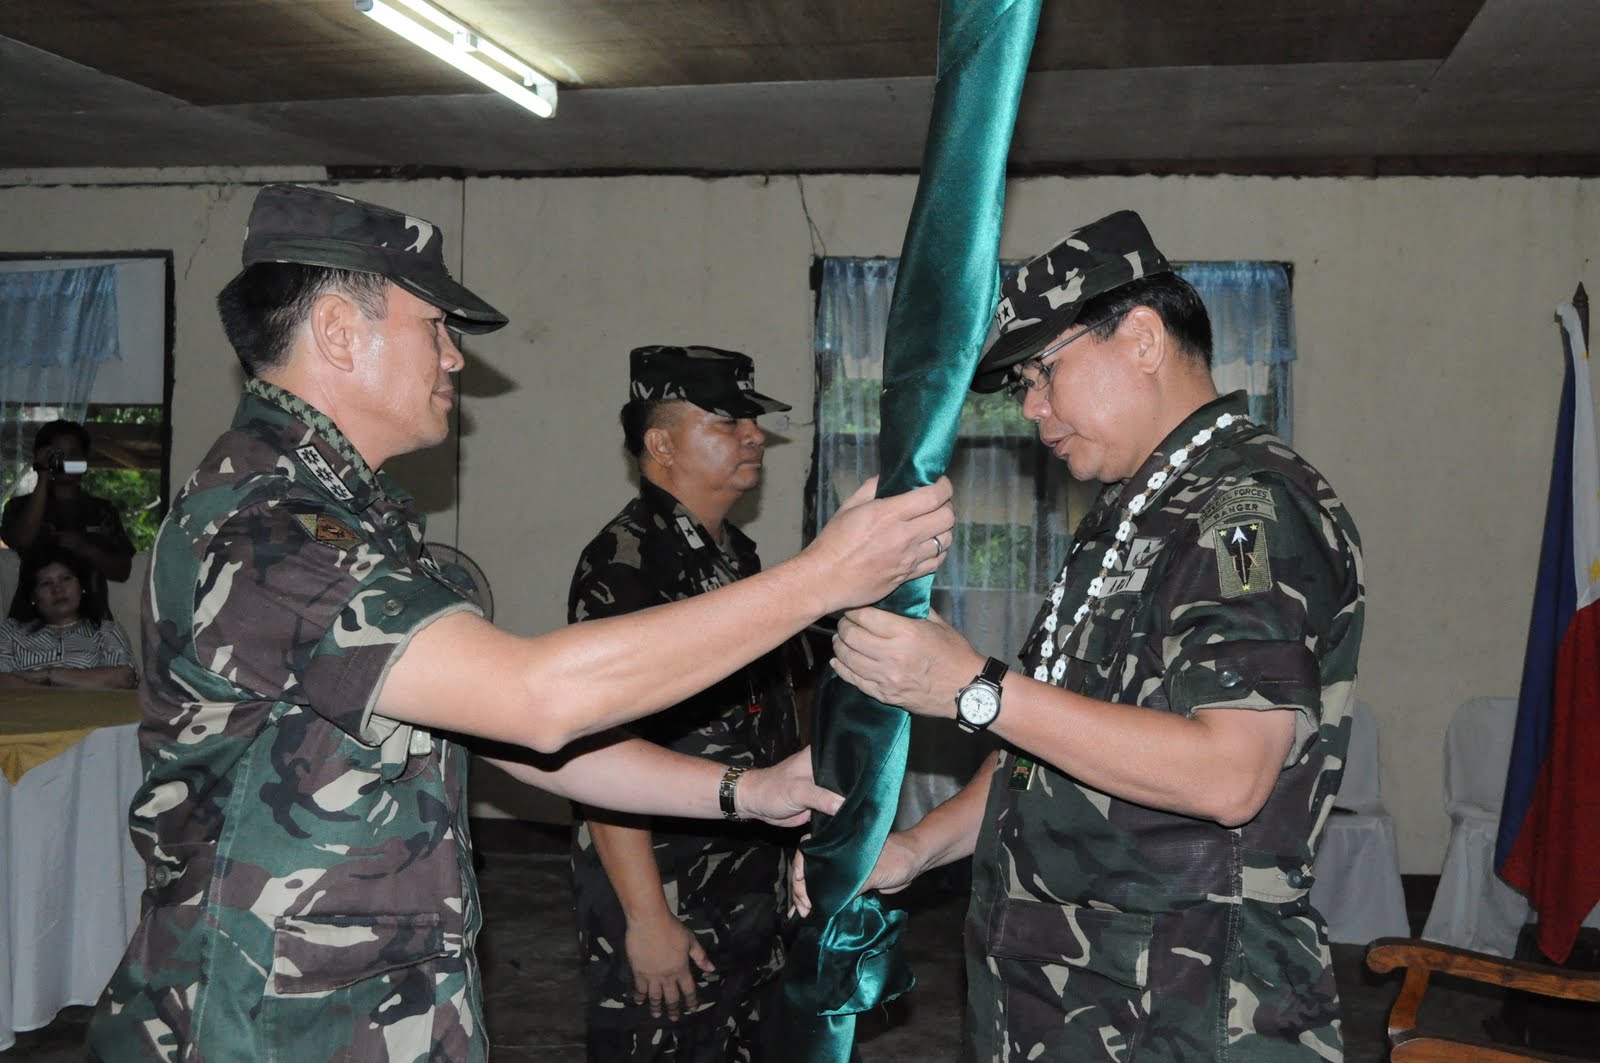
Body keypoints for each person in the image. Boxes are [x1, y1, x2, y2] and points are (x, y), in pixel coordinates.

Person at [85, 183, 954, 1062]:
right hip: (260, 1022)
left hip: (361, 1005)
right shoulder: (266, 524)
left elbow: (512, 736)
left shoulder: (353, 516)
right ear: (341, 332)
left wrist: (742, 792)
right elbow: (536, 696)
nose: (455, 359)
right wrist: (823, 578)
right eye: (436, 327)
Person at [798, 210, 1366, 1061]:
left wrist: (973, 686)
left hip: (1186, 1007)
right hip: (1064, 995)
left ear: (1140, 338)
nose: (1031, 408)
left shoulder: (1244, 507)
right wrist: (917, 848)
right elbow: (1039, 748)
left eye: (1042, 372)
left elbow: (1230, 772)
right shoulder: (1129, 515)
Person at [568, 344, 810, 1060]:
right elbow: (597, 747)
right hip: (672, 897)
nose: (753, 435)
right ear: (661, 442)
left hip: (747, 887)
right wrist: (647, 918)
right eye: (727, 421)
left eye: (752, 421)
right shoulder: (626, 563)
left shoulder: (736, 557)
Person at [1, 419, 136, 611]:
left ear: (84, 460)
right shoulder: (20, 506)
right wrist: (43, 475)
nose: (66, 462)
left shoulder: (102, 510)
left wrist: (86, 549)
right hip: (32, 621)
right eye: (58, 455)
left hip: (91, 619)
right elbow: (20, 540)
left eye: (74, 455)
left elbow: (123, 570)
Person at [0, 545, 136, 689]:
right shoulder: (11, 632)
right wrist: (51, 697)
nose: (57, 589)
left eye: (66, 579)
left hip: (92, 710)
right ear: (33, 597)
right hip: (25, 709)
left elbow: (124, 678)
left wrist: (49, 675)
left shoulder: (107, 631)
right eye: (46, 583)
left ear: (82, 587)